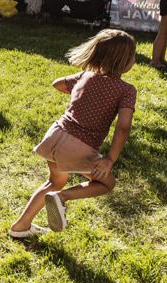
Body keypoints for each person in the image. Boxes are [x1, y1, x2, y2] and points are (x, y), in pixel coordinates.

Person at [9, 29, 138, 240]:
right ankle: (62, 197)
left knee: (54, 181)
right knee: (106, 184)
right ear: (123, 61)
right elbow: (123, 127)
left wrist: (84, 93)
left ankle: (21, 226)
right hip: (79, 146)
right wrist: (109, 159)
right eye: (133, 56)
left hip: (55, 136)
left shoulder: (85, 75)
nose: (134, 60)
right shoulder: (126, 90)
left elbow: (57, 84)